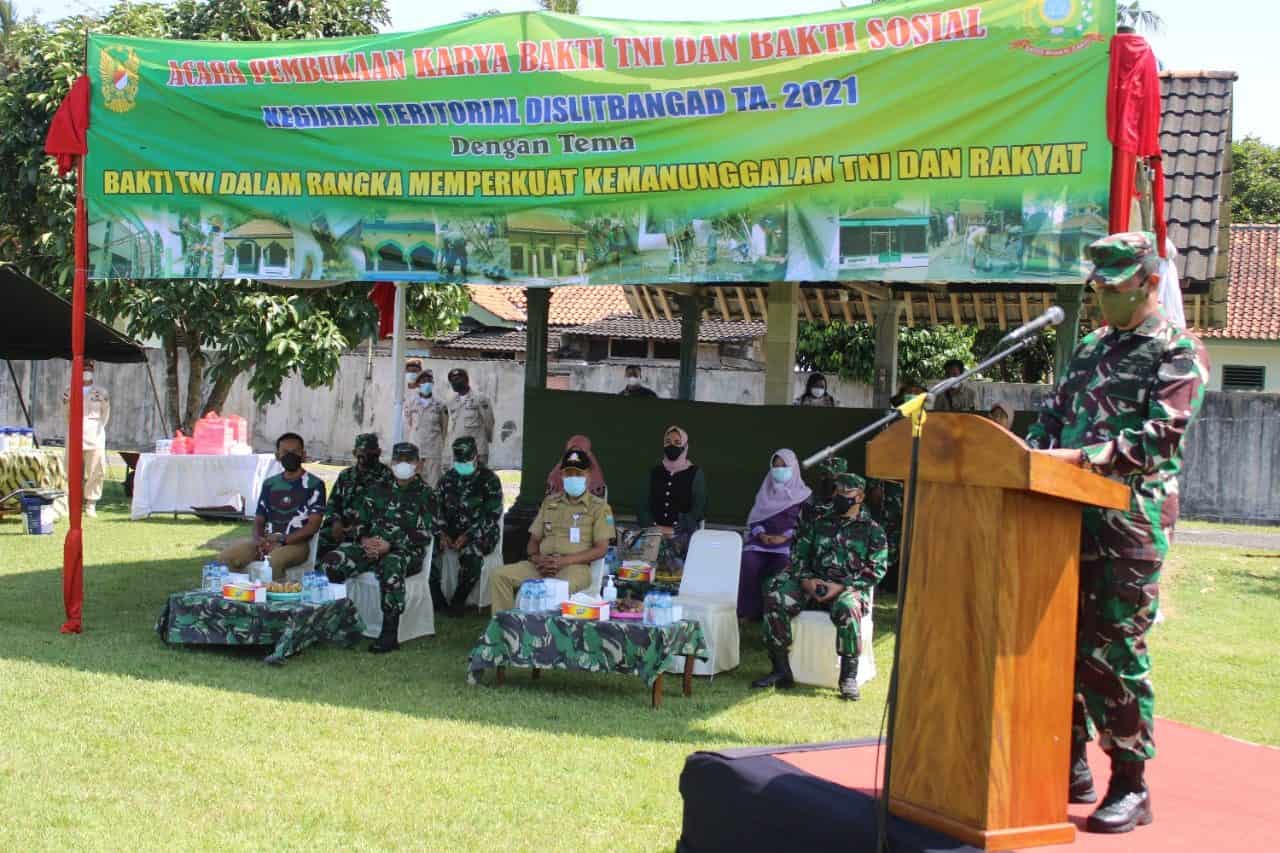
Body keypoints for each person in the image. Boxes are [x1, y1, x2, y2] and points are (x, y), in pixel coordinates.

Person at [1026, 232, 1209, 834]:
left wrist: (1082, 459)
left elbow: (1160, 439)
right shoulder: (1090, 347)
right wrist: (1026, 453)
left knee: (1113, 653)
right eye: (1098, 282)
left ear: (1150, 282)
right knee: (1057, 642)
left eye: (1116, 282)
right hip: (1061, 517)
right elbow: (1053, 416)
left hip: (1130, 523)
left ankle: (1131, 784)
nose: (1103, 293)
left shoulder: (1178, 351)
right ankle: (1070, 761)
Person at [753, 473, 887, 700]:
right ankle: (781, 670)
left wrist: (841, 586)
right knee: (776, 595)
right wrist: (806, 581)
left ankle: (848, 678)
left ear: (860, 496)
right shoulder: (818, 523)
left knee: (848, 608)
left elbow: (876, 570)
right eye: (837, 492)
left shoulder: (872, 530)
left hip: (845, 589)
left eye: (846, 494)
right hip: (811, 584)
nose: (840, 497)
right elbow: (798, 556)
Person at [322, 442, 435, 653]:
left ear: (418, 465)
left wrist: (390, 545)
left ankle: (389, 634)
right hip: (370, 546)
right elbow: (359, 523)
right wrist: (364, 539)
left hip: (404, 552)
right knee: (332, 561)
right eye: (398, 460)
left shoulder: (427, 495)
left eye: (408, 461)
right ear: (391, 463)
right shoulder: (376, 489)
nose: (403, 465)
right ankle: (337, 620)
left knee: (391, 568)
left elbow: (424, 535)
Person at [489, 448, 615, 613]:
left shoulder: (599, 508)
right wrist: (537, 559)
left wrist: (564, 561)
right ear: (562, 476)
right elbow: (533, 541)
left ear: (588, 476)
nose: (573, 478)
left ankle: (547, 635)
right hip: (541, 565)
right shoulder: (550, 502)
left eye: (578, 474)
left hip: (574, 568)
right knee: (500, 576)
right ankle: (505, 629)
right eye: (568, 474)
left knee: (555, 589)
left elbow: (601, 549)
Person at [217, 432, 326, 581]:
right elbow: (259, 519)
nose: (290, 456)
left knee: (273, 562)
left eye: (295, 452)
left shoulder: (315, 484)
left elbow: (313, 526)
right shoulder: (270, 484)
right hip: (266, 542)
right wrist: (258, 540)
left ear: (303, 455)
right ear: (277, 455)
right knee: (226, 559)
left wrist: (282, 541)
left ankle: (274, 601)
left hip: (297, 545)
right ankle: (236, 599)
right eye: (285, 452)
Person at [431, 436, 504, 615]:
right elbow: (435, 511)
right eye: (459, 461)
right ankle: (437, 599)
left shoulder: (489, 480)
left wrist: (469, 535)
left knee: (472, 553)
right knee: (424, 546)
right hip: (451, 532)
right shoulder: (446, 479)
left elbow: (492, 515)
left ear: (475, 457)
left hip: (481, 532)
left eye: (466, 461)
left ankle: (459, 600)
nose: (462, 464)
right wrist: (441, 533)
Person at [738, 450, 811, 620]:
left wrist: (785, 536)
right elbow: (755, 519)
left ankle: (774, 613)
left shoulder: (804, 496)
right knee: (748, 562)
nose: (779, 470)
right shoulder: (765, 491)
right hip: (761, 542)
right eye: (775, 466)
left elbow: (807, 525)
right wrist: (762, 534)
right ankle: (748, 612)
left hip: (787, 545)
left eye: (783, 466)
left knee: (783, 567)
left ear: (793, 467)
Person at [318, 433, 392, 557]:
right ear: (354, 452)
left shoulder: (387, 476)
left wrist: (358, 530)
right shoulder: (346, 475)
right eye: (361, 451)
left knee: (343, 558)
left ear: (378, 452)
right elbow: (333, 502)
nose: (364, 454)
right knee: (318, 544)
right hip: (341, 528)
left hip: (369, 532)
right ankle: (316, 575)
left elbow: (387, 511)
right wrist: (336, 522)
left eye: (370, 450)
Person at [636, 426, 707, 556]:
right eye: (667, 442)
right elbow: (642, 506)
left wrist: (674, 530)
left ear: (685, 446)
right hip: (652, 533)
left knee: (678, 562)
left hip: (682, 534)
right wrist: (655, 527)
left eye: (677, 443)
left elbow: (698, 508)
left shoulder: (695, 473)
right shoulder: (654, 472)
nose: (671, 446)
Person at [61, 358, 109, 517]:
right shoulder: (69, 390)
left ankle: (91, 503)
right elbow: (66, 414)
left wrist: (97, 428)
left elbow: (105, 414)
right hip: (75, 435)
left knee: (96, 469)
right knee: (71, 471)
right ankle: (71, 502)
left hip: (94, 435)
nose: (86, 371)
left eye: (89, 368)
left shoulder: (101, 392)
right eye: (83, 368)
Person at [445, 368, 495, 467]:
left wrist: (485, 440)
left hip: (476, 450)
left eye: (458, 378)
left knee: (478, 480)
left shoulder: (480, 398)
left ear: (466, 380)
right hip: (459, 451)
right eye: (453, 380)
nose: (455, 382)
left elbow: (489, 421)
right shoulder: (452, 402)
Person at [408, 367, 449, 486]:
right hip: (416, 450)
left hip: (433, 451)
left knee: (433, 484)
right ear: (418, 384)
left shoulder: (440, 405)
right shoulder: (410, 403)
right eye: (423, 381)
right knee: (414, 484)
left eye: (429, 380)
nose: (426, 383)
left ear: (433, 383)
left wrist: (439, 446)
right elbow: (408, 425)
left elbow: (444, 429)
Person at [545, 434, 607, 500]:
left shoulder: (596, 479)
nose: (575, 455)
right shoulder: (554, 476)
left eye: (580, 451)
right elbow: (550, 502)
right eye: (572, 450)